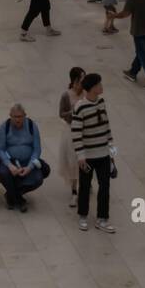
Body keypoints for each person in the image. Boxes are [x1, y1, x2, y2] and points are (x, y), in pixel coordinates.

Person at [72, 73, 116, 233]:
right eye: (99, 84)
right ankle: (83, 216)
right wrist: (80, 156)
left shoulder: (101, 102)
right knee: (84, 186)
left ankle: (102, 218)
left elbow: (106, 124)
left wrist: (111, 147)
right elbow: (76, 133)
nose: (101, 86)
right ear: (92, 88)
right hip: (88, 157)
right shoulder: (80, 107)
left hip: (103, 153)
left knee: (105, 186)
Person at [0, 104, 48, 213]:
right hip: (11, 161)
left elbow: (37, 150)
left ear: (24, 116)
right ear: (10, 116)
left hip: (28, 161)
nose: (17, 119)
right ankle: (19, 200)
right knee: (3, 173)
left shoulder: (32, 126)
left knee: (38, 179)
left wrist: (29, 167)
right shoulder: (5, 127)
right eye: (14, 116)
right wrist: (10, 165)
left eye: (20, 116)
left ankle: (11, 195)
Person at [58, 67, 86, 207]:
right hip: (72, 131)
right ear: (74, 80)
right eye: (81, 79)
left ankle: (86, 184)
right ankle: (74, 191)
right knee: (73, 162)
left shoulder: (87, 93)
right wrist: (73, 111)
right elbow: (61, 113)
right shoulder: (66, 95)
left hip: (86, 131)